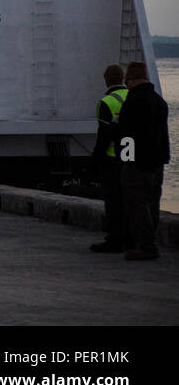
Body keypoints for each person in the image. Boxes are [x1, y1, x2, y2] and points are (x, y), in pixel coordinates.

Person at [116, 62, 170, 260]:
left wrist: (126, 159)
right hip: (157, 162)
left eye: (127, 81)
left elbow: (128, 135)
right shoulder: (159, 101)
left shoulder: (134, 101)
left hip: (138, 163)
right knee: (151, 204)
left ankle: (145, 246)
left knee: (136, 203)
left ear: (130, 80)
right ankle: (149, 243)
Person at [89, 64, 130, 252]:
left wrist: (95, 159)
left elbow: (103, 135)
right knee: (130, 199)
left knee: (113, 202)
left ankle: (114, 239)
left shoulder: (106, 102)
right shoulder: (132, 96)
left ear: (106, 79)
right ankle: (131, 238)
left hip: (112, 158)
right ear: (122, 78)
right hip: (131, 156)